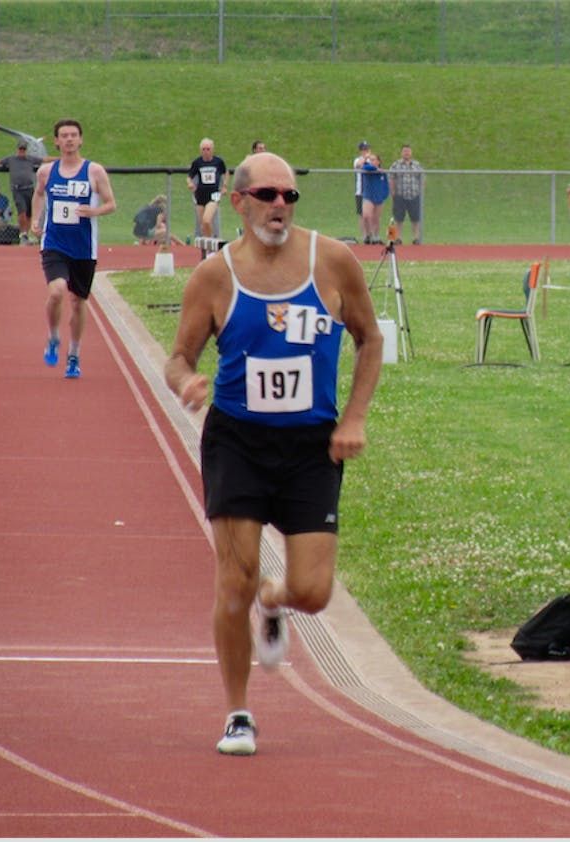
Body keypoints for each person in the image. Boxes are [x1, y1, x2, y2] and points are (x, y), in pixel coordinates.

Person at [164, 152, 383, 756]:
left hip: (312, 445)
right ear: (238, 202)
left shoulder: (332, 261)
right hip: (238, 440)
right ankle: (238, 713)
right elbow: (178, 356)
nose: (280, 206)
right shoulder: (213, 275)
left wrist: (355, 417)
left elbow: (370, 339)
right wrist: (186, 382)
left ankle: (274, 598)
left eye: (289, 195)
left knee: (313, 591)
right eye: (267, 195)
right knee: (231, 580)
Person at [30, 118, 117, 380]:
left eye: (73, 135)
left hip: (83, 247)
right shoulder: (46, 172)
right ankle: (54, 336)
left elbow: (111, 203)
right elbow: (38, 194)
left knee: (78, 302)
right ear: (56, 141)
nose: (69, 140)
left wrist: (95, 210)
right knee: (56, 291)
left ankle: (74, 354)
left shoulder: (94, 172)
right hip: (55, 243)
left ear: (80, 140)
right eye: (64, 135)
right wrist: (36, 219)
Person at [0, 138, 54, 245]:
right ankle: (23, 234)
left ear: (25, 150)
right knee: (22, 211)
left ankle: (27, 233)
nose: (22, 151)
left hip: (29, 188)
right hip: (18, 189)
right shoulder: (11, 159)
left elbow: (45, 159)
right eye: (21, 149)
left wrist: (62, 158)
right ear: (18, 149)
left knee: (30, 213)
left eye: (24, 149)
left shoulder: (30, 159)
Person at [187, 138, 228, 241]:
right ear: (200, 150)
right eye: (203, 149)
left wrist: (224, 186)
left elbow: (226, 173)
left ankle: (211, 243)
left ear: (212, 150)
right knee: (203, 226)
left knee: (207, 220)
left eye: (208, 149)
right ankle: (207, 248)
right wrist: (190, 184)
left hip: (214, 195)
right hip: (200, 195)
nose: (206, 151)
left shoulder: (218, 162)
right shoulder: (197, 162)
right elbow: (189, 176)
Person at [388, 144, 425, 245]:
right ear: (401, 153)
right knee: (398, 219)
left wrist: (420, 191)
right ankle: (397, 238)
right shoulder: (396, 165)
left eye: (408, 151)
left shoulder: (416, 165)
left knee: (415, 219)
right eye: (405, 151)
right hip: (400, 195)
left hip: (414, 195)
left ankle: (416, 238)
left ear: (411, 152)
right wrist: (393, 192)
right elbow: (391, 178)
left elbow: (422, 178)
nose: (407, 153)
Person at [360, 152, 389, 245]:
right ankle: (368, 235)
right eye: (370, 160)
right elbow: (365, 167)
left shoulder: (382, 173)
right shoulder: (368, 168)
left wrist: (384, 195)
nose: (371, 161)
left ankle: (376, 237)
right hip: (368, 196)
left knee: (376, 218)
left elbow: (385, 185)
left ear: (378, 161)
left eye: (373, 160)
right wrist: (376, 168)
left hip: (379, 197)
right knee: (366, 216)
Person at [352, 140, 370, 240]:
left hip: (370, 191)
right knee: (362, 215)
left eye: (366, 149)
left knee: (370, 215)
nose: (365, 151)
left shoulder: (371, 160)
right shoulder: (357, 160)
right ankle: (364, 235)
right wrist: (365, 158)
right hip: (360, 192)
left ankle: (371, 234)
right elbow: (359, 165)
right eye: (363, 150)